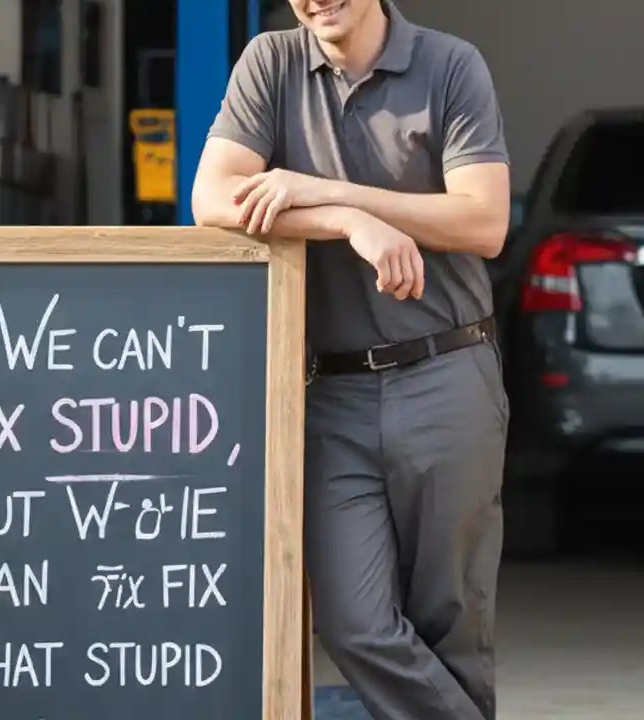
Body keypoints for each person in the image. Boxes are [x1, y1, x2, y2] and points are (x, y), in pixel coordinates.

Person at [190, 0, 511, 717]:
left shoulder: (450, 65)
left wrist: (324, 188)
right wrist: (347, 221)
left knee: (450, 622)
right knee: (354, 623)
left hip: (446, 371)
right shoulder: (271, 65)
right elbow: (210, 199)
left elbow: (484, 220)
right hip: (332, 391)